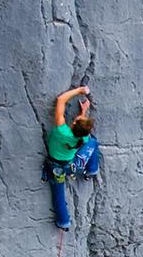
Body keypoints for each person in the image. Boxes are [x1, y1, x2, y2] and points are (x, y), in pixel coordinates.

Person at [43, 85, 100, 229]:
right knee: (94, 142)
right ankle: (91, 170)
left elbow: (61, 100)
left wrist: (79, 91)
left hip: (57, 169)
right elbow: (83, 131)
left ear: (73, 125)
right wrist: (84, 111)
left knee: (58, 193)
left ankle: (64, 222)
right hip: (73, 166)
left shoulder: (62, 131)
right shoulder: (84, 138)